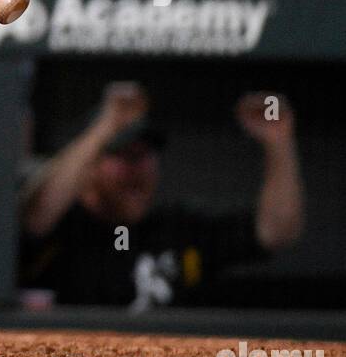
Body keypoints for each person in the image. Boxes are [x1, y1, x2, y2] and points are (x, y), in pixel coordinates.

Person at [20, 81, 305, 309]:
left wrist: (278, 142)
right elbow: (37, 213)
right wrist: (107, 126)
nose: (137, 168)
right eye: (124, 156)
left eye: (146, 155)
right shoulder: (64, 228)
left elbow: (275, 233)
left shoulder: (177, 229)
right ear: (89, 167)